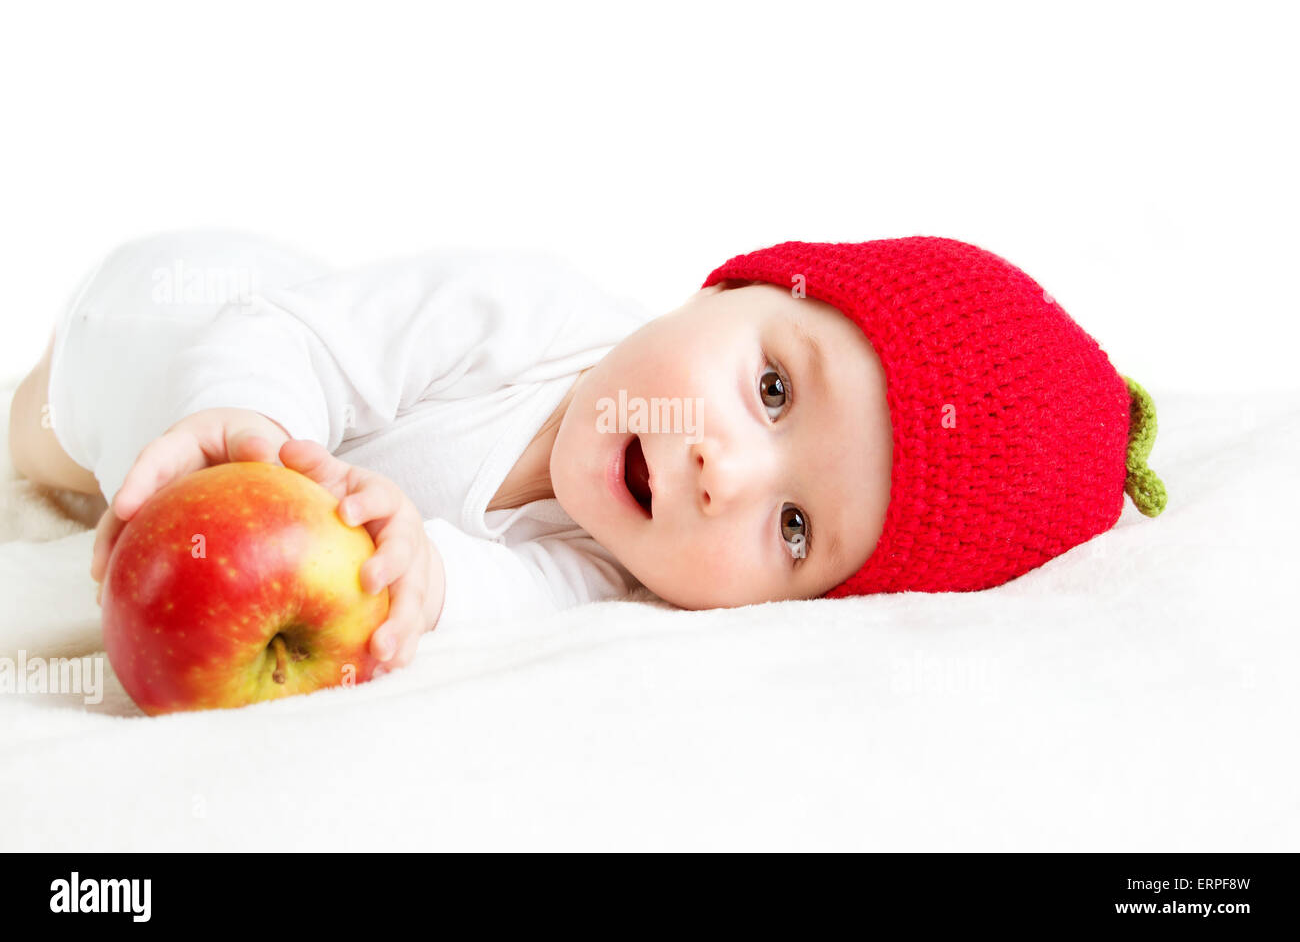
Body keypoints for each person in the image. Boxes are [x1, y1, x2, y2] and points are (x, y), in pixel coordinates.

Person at [8, 229, 1167, 676]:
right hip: (160, 327)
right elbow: (286, 339)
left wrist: (421, 572)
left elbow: (478, 591)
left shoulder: (608, 577)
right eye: (770, 389)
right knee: (50, 442)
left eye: (795, 528)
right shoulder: (524, 310)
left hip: (218, 551)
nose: (727, 471)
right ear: (731, 283)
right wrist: (243, 422)